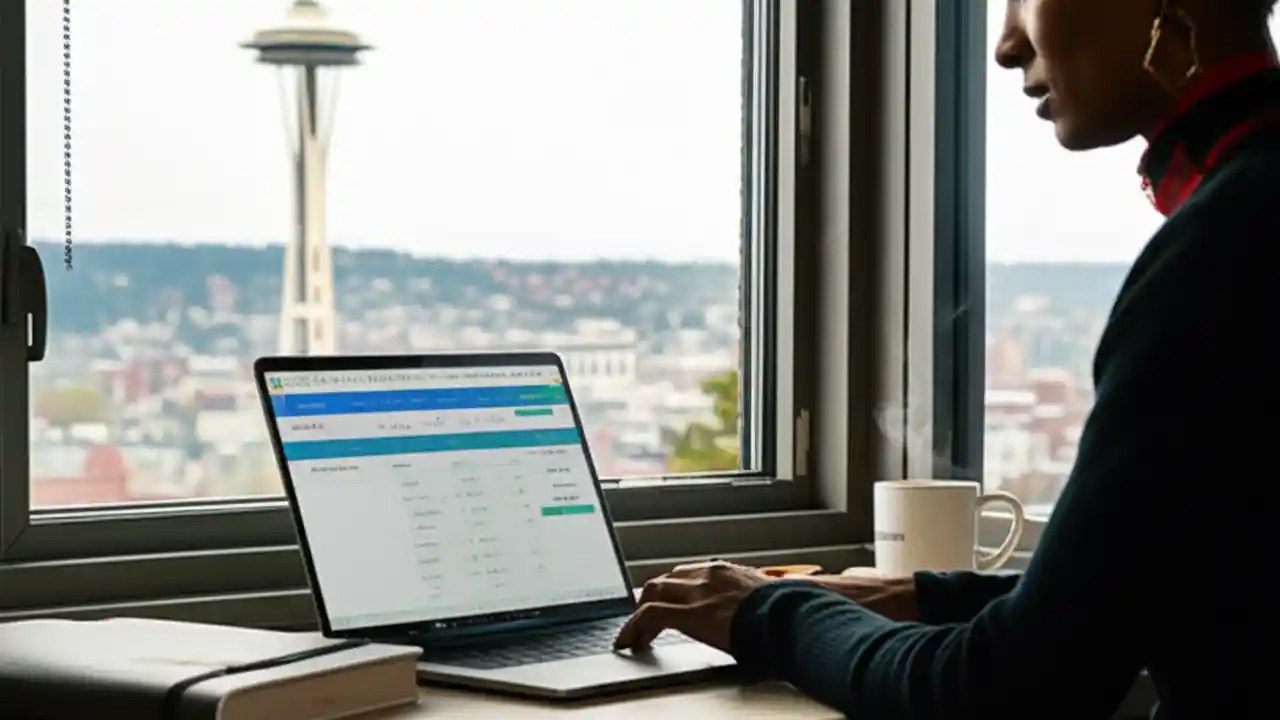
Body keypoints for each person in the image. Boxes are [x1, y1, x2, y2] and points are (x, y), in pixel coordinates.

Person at [613, 0, 1280, 717]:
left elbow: (1005, 688)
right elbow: (1197, 583)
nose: (1005, 44)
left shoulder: (1228, 253)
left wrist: (767, 614)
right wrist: (922, 594)